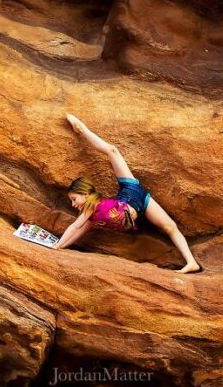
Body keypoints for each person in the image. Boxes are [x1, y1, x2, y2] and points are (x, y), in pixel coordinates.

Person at [53, 114, 202, 273]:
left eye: (74, 199)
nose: (73, 204)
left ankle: (81, 127)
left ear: (84, 193)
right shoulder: (90, 216)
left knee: (112, 151)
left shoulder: (91, 206)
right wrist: (61, 246)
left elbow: (74, 227)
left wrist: (56, 245)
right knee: (170, 226)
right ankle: (191, 262)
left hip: (131, 193)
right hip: (139, 203)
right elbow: (78, 231)